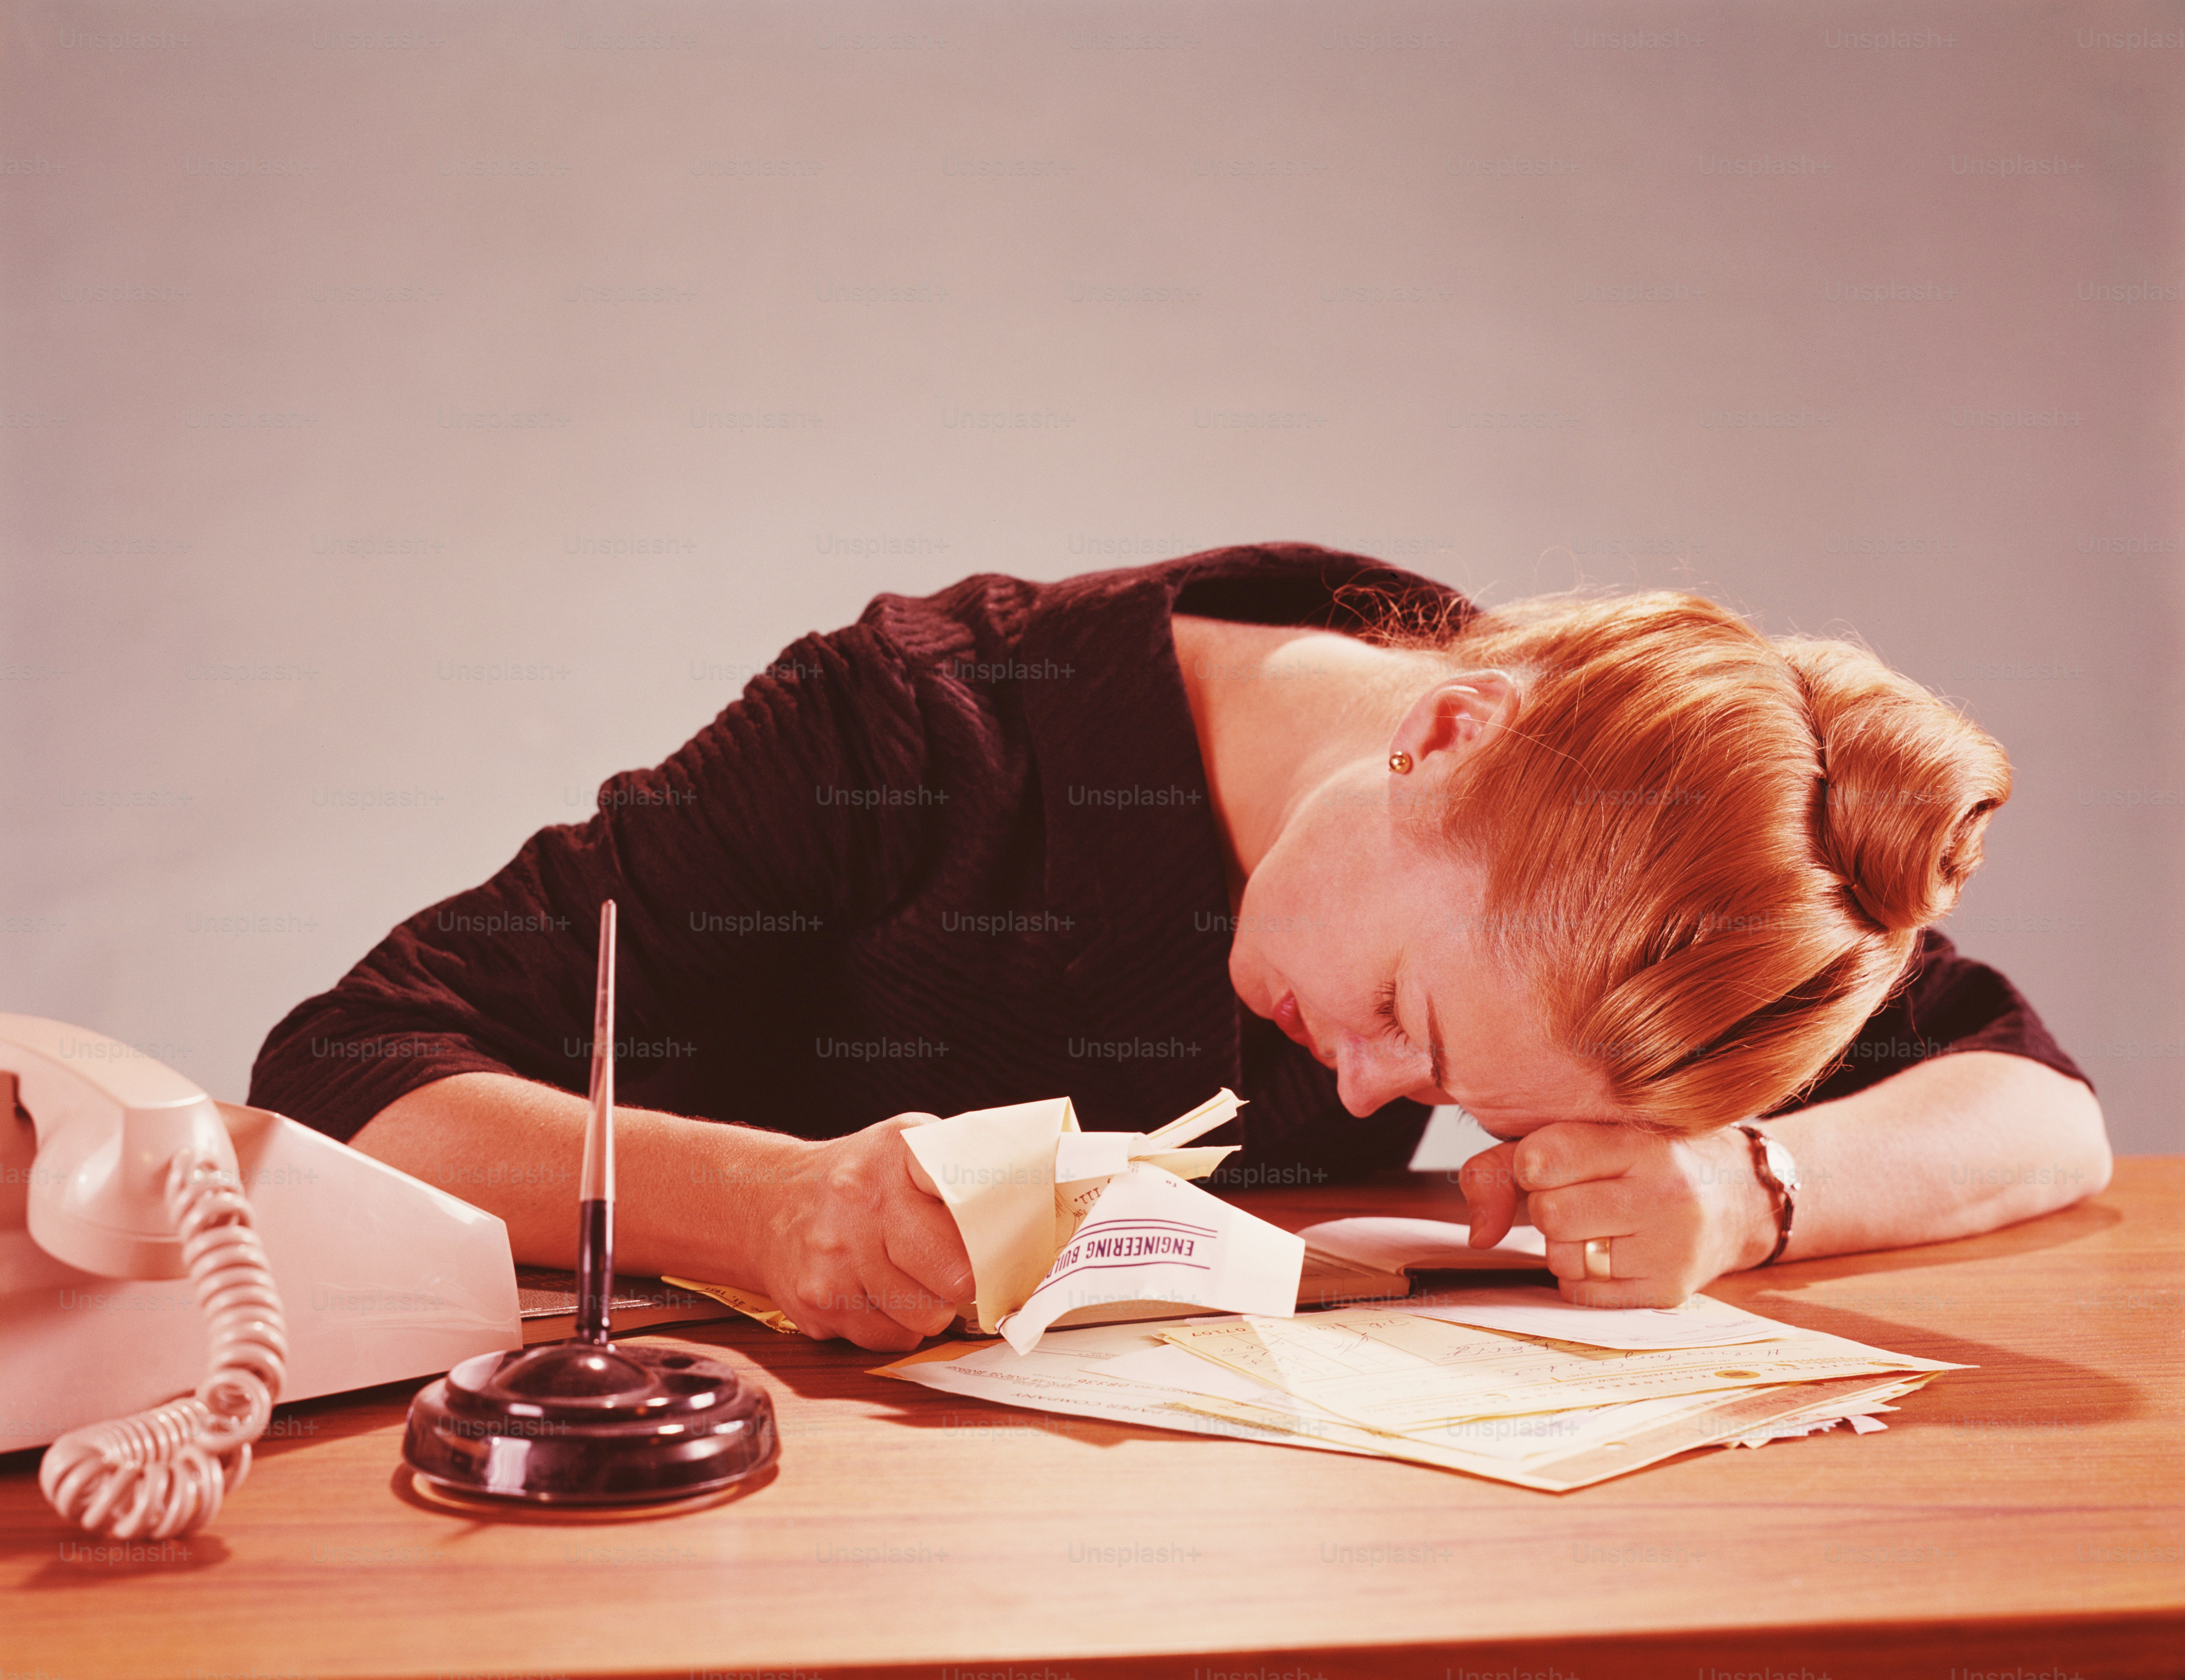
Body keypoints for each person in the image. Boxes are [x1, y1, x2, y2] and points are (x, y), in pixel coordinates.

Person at [249, 543, 2108, 1351]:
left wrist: (1738, 1187)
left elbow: (2036, 1106)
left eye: (1451, 1090)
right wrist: (767, 1208)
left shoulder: (1605, 823)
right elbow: (342, 1072)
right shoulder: (913, 723)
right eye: (1402, 1015)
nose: (1368, 1093)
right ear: (1440, 736)